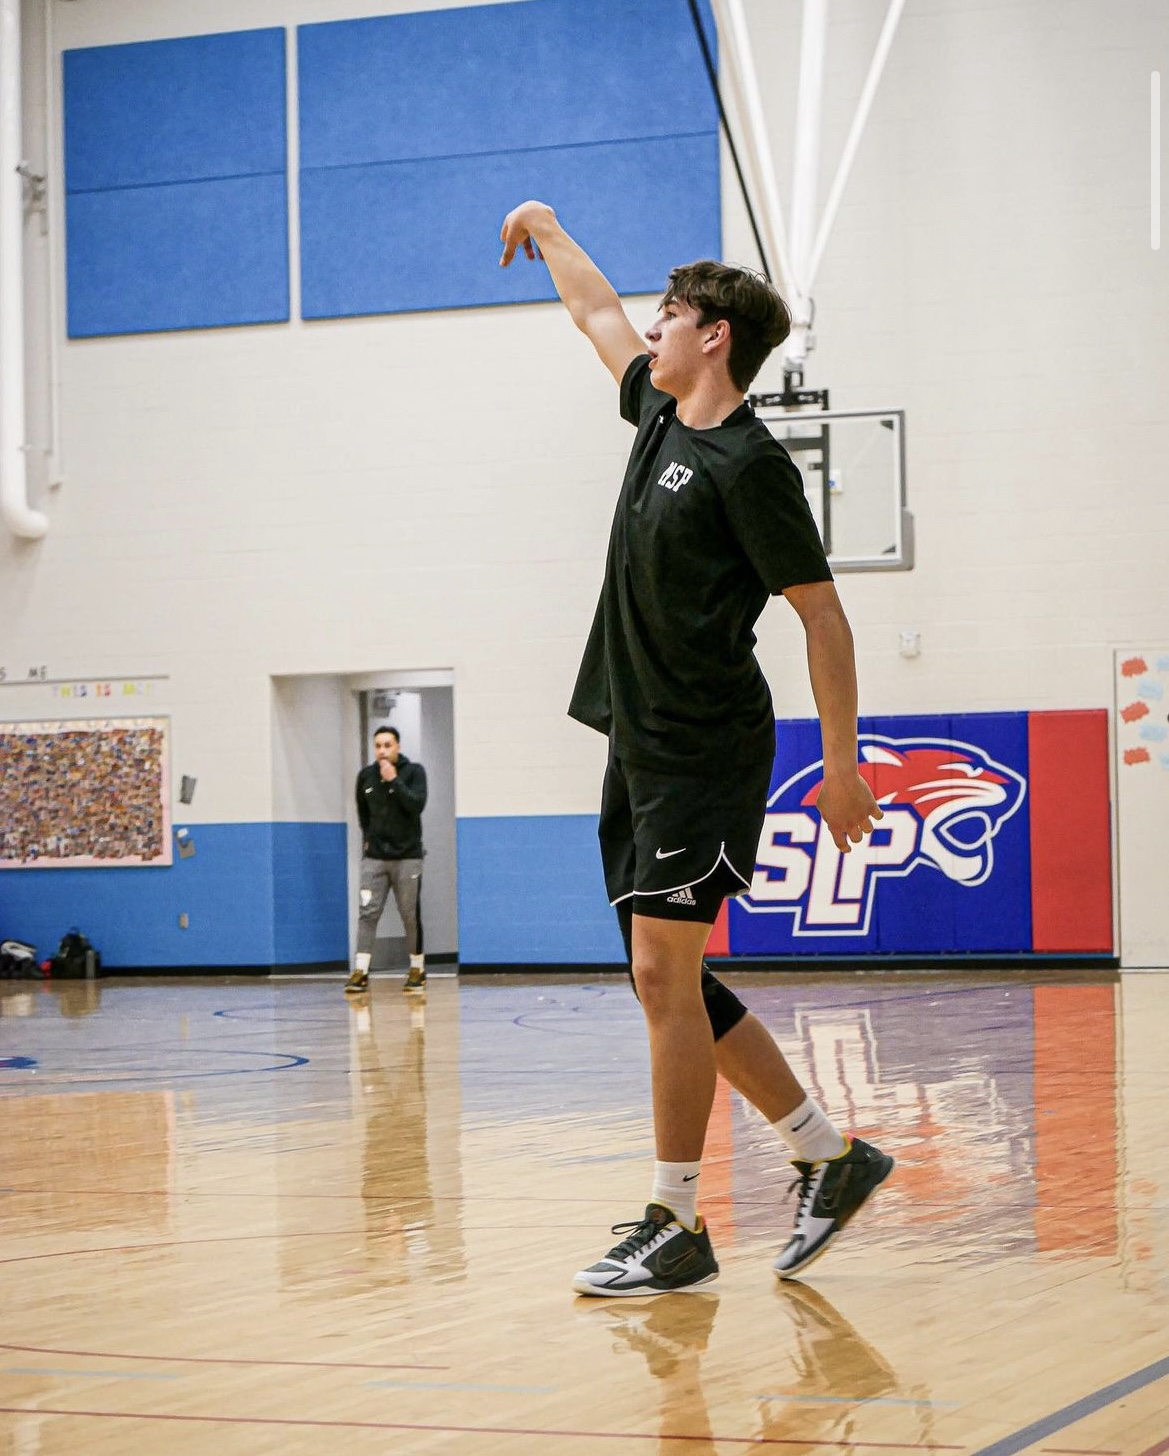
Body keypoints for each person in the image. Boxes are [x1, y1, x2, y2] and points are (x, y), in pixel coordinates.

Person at [498, 200, 894, 1296]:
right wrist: (547, 226)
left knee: (659, 971)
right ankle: (826, 1151)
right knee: (660, 978)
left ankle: (675, 1217)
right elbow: (593, 316)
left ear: (712, 335)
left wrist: (843, 763)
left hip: (703, 748)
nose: (651, 328)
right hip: (635, 738)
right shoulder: (659, 419)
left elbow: (823, 618)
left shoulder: (748, 466)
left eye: (668, 315)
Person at [346, 726, 428, 994]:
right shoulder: (366, 777)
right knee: (368, 913)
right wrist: (369, 838)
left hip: (407, 858)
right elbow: (363, 814)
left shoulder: (414, 772)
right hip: (375, 859)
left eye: (387, 745)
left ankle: (417, 968)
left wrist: (394, 780)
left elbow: (416, 805)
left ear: (398, 747)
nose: (382, 750)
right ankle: (361, 971)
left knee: (409, 914)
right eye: (378, 745)